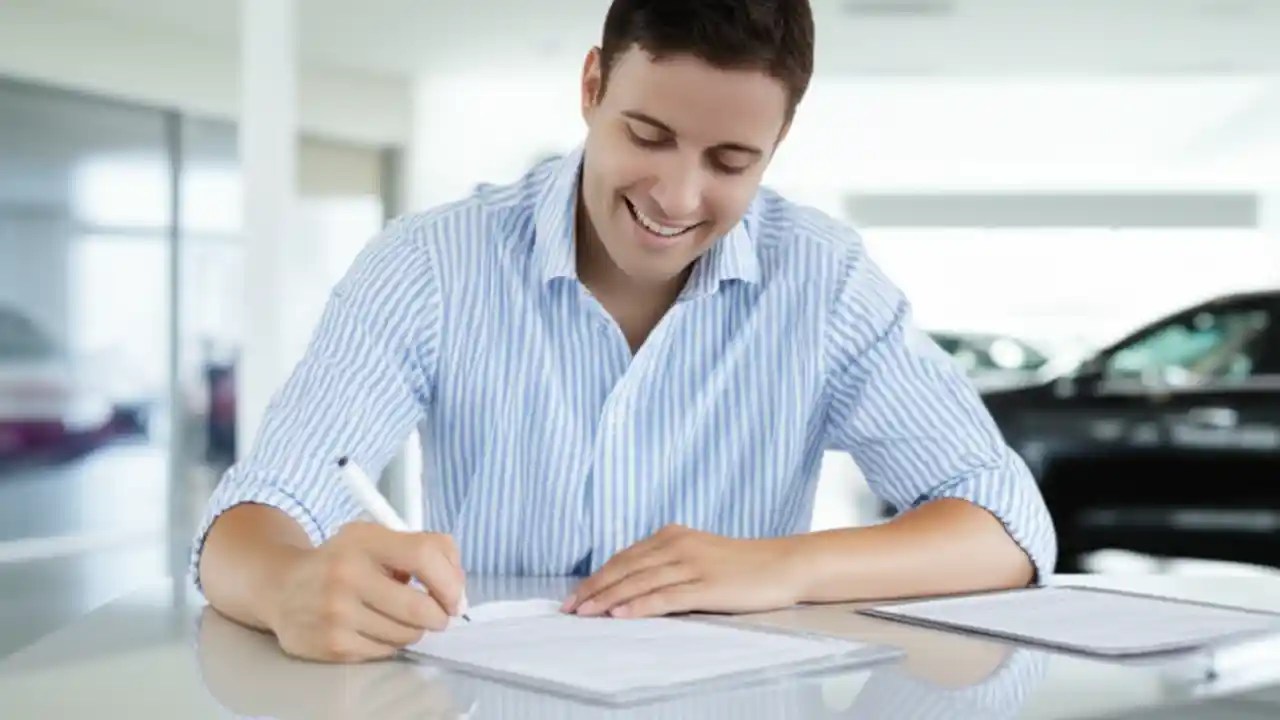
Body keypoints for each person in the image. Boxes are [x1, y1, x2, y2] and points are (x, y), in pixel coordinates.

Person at [193, 0, 1057, 663]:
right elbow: (251, 516)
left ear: (777, 141)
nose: (678, 200)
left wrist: (783, 566)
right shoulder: (431, 266)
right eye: (648, 135)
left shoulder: (825, 281)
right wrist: (289, 588)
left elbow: (1006, 522)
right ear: (592, 88)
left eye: (730, 162)